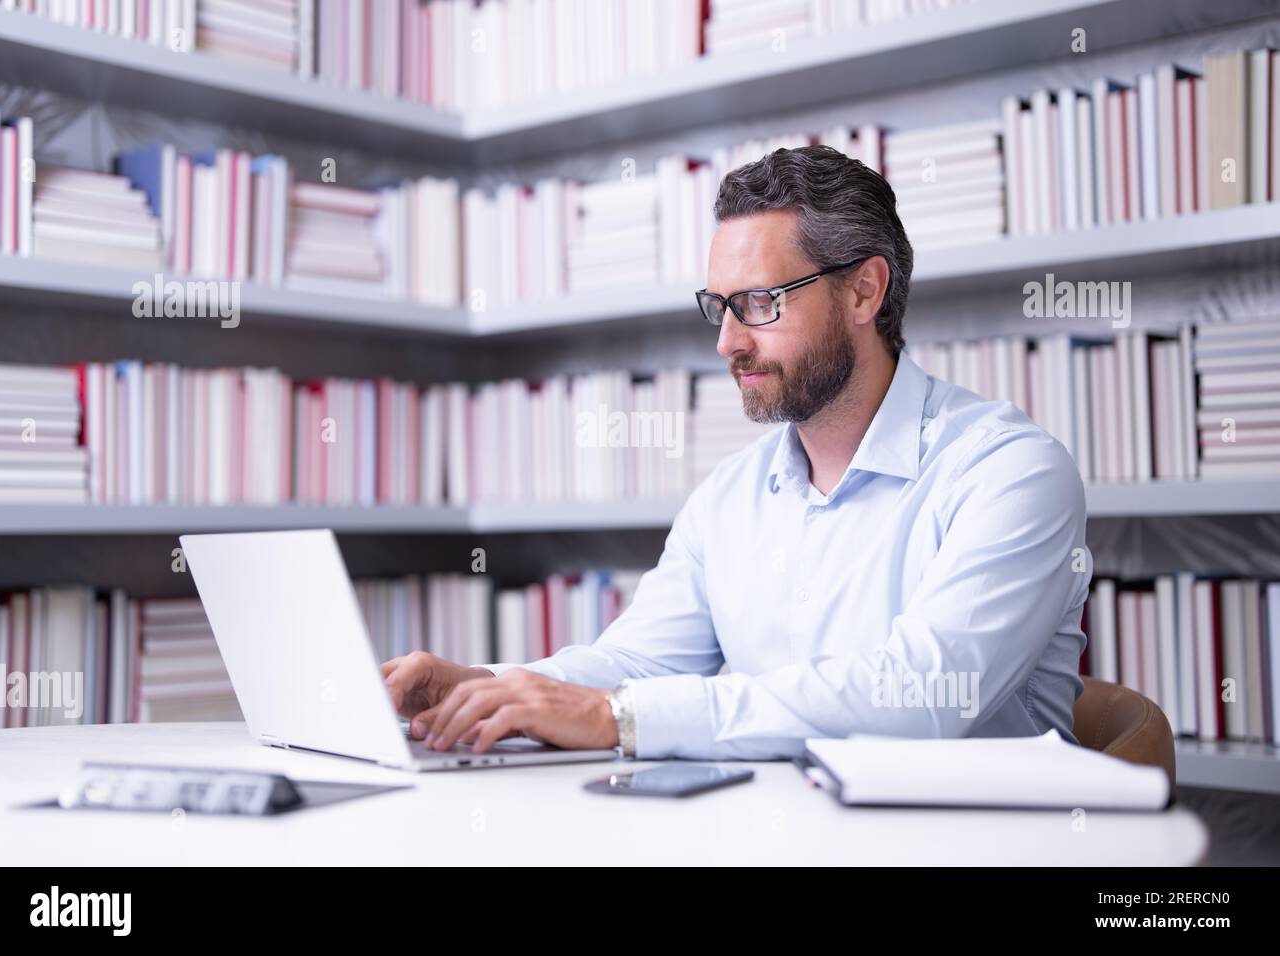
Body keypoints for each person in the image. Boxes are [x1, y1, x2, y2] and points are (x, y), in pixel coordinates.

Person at [381, 144, 1092, 761]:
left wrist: (618, 717)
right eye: (719, 306)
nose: (727, 342)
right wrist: (486, 687)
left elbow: (920, 694)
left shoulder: (1010, 473)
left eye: (758, 302)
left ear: (864, 291)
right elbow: (640, 661)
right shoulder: (728, 496)